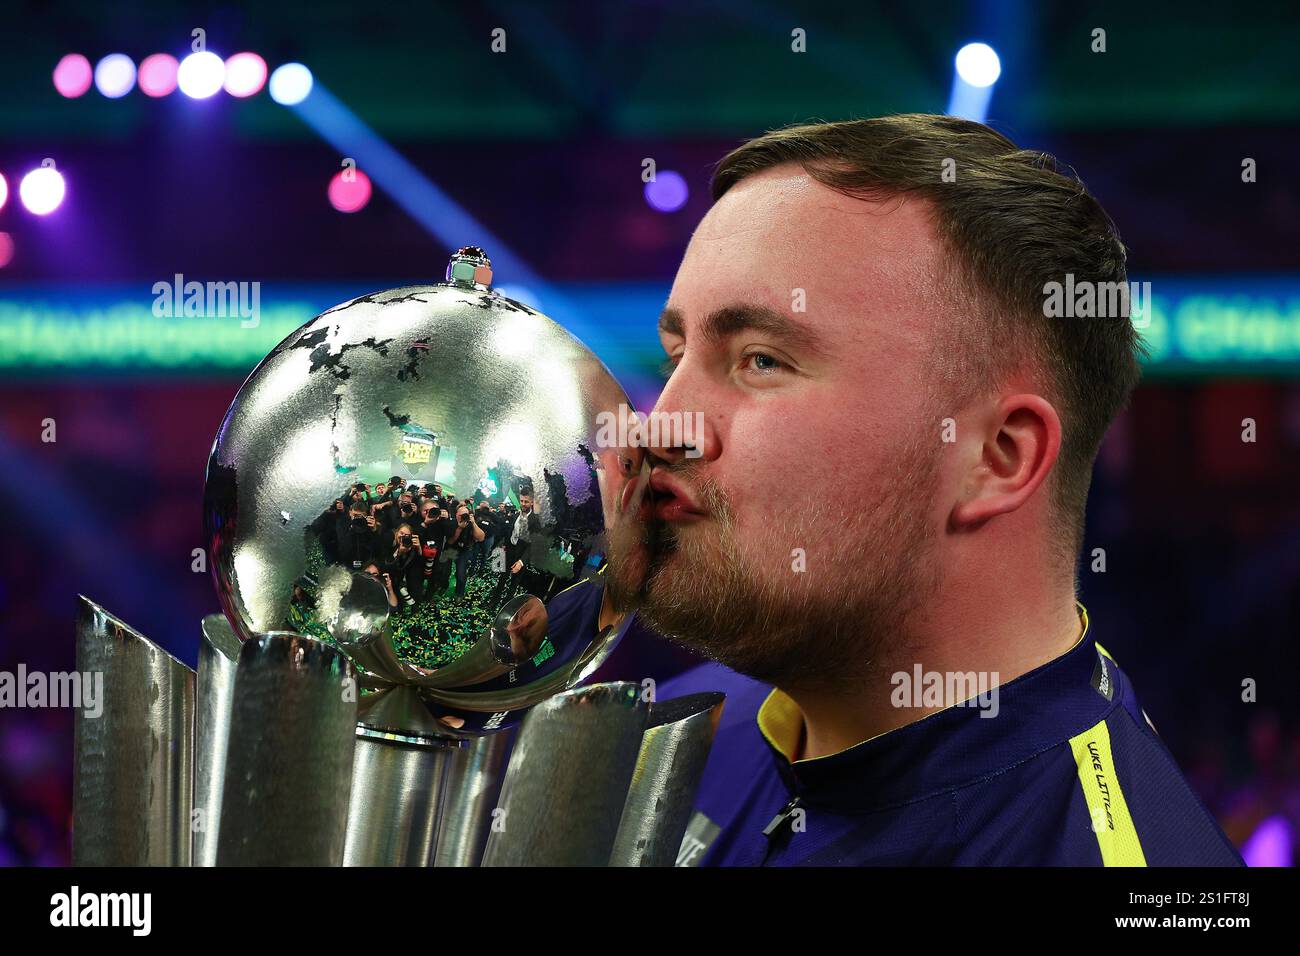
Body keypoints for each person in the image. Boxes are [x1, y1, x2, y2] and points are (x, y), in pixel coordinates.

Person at [603, 114, 1242, 866]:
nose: (658, 425)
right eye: (676, 355)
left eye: (762, 360)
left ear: (996, 458)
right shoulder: (687, 733)